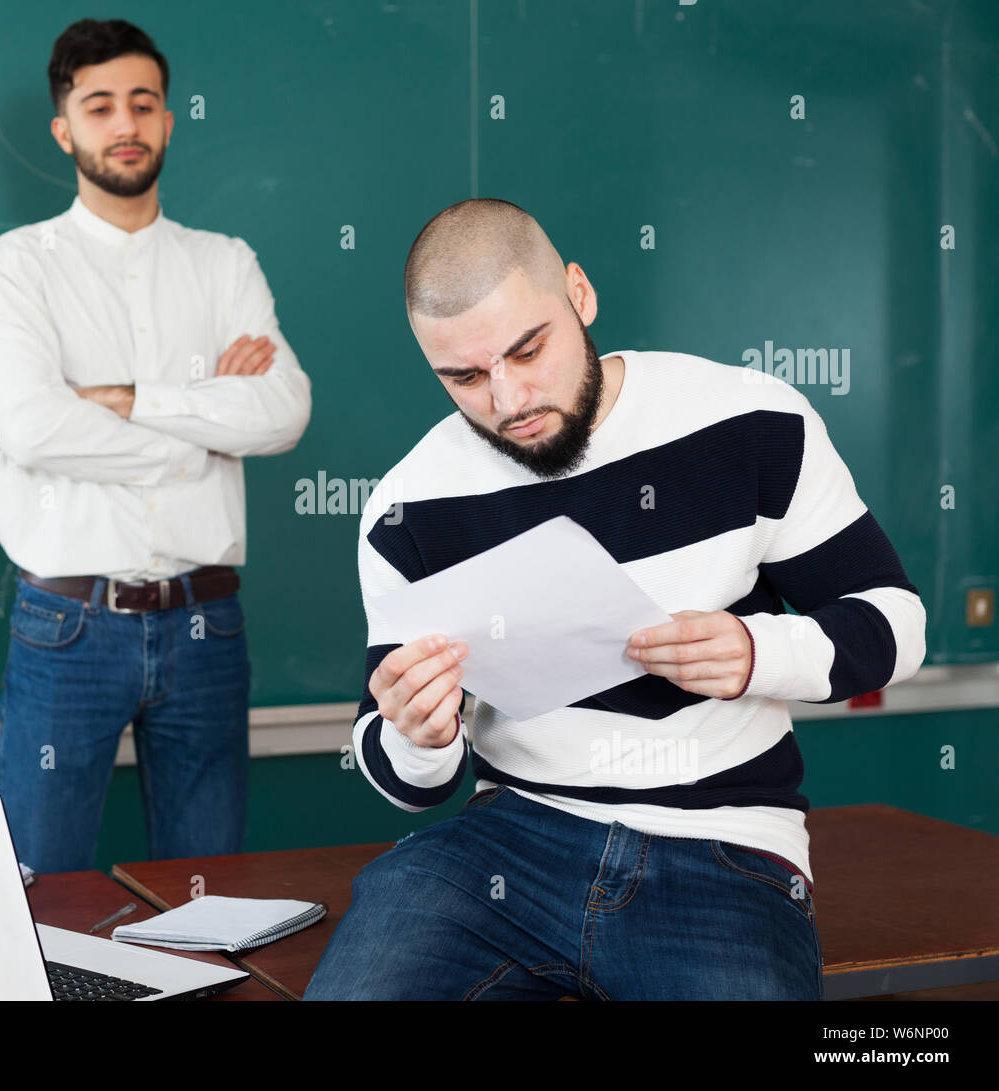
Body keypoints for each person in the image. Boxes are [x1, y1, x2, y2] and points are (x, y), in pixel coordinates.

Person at [304, 198, 925, 1000]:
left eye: (529, 349)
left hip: (722, 844)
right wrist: (418, 734)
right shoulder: (406, 508)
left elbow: (897, 622)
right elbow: (406, 780)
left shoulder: (752, 421)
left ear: (580, 295)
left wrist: (756, 653)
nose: (508, 398)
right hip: (508, 843)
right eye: (463, 375)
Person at [0, 19, 311, 872]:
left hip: (206, 623)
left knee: (207, 897)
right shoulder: (12, 266)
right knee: (36, 892)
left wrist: (129, 400)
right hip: (68, 626)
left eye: (143, 103)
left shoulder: (225, 263)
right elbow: (32, 426)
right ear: (64, 129)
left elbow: (283, 411)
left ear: (166, 118)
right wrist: (198, 431)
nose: (125, 124)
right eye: (100, 106)